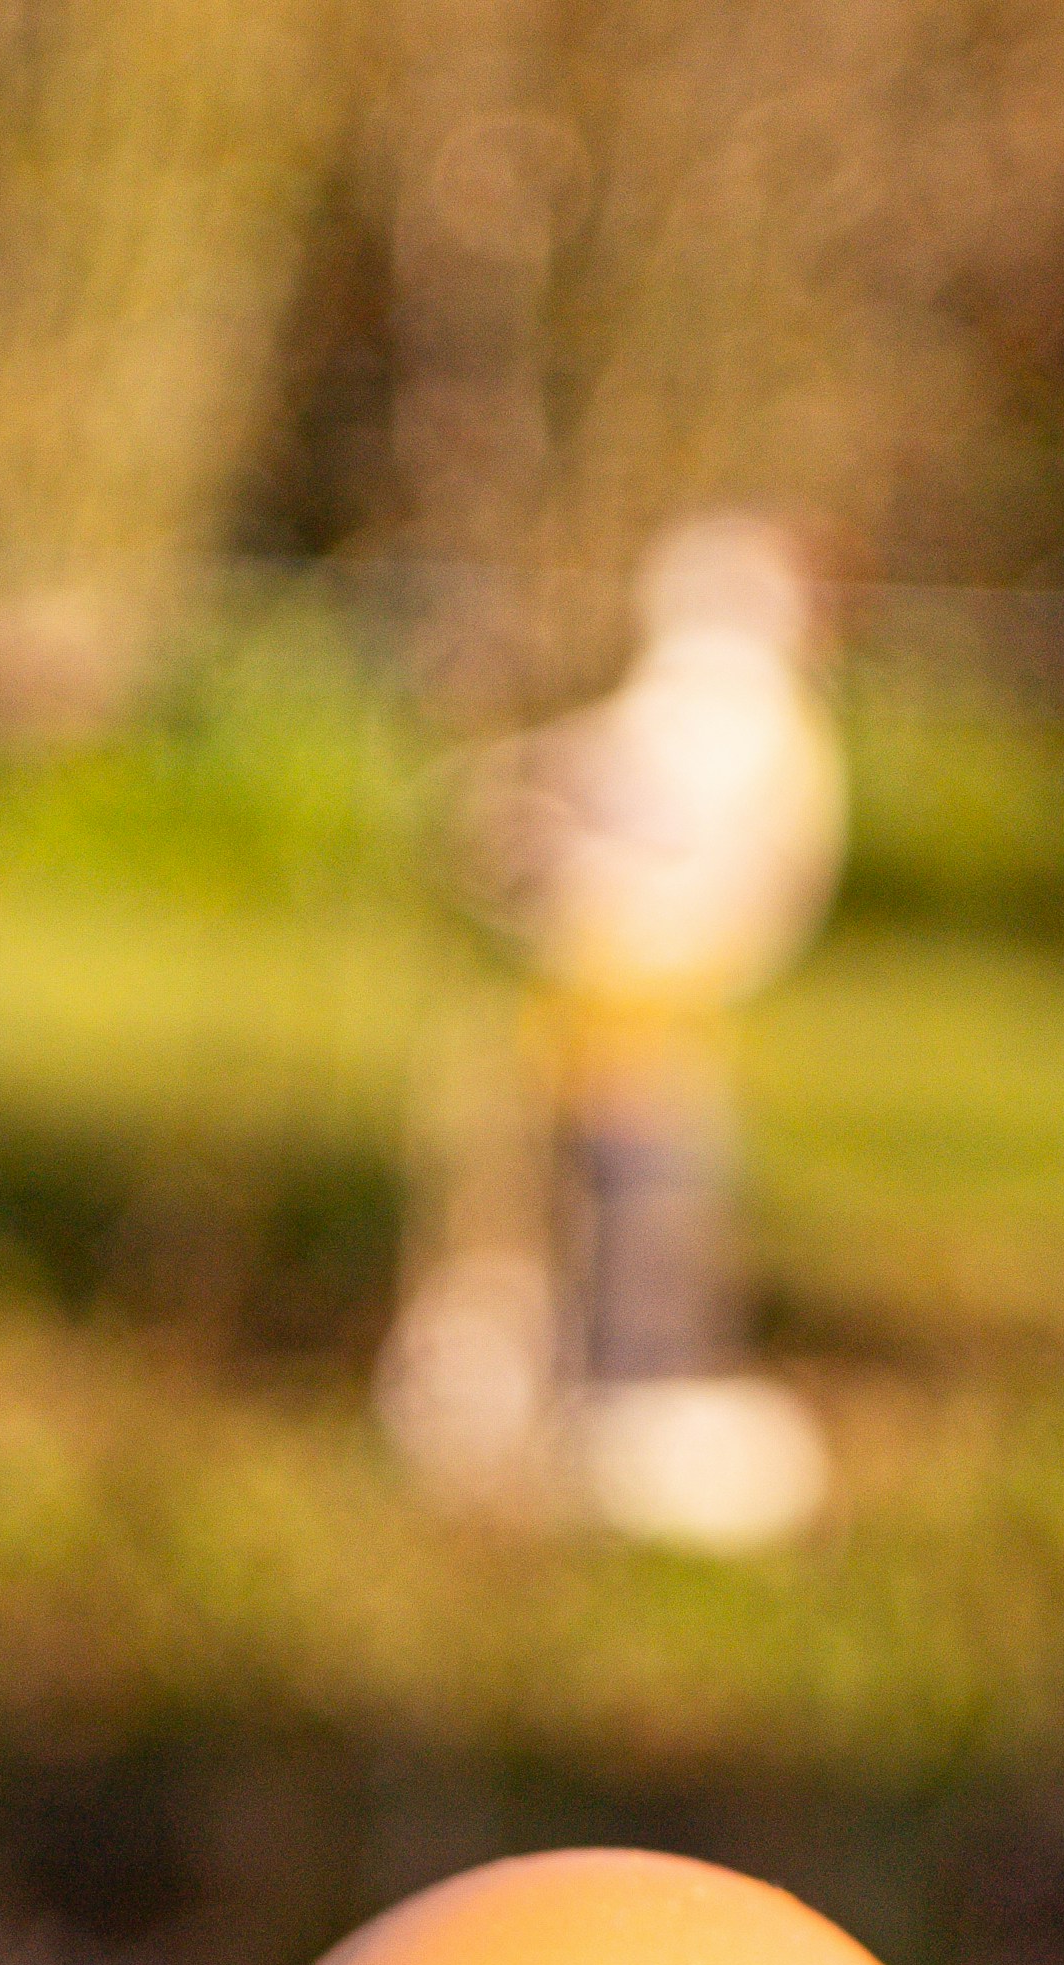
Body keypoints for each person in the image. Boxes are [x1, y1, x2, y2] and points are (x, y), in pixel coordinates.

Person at [378, 514, 846, 1548]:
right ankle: (591, 1402)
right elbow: (530, 805)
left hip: (648, 1022)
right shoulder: (714, 720)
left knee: (638, 1204)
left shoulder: (731, 724)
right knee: (596, 1206)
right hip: (616, 1019)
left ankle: (623, 1398)